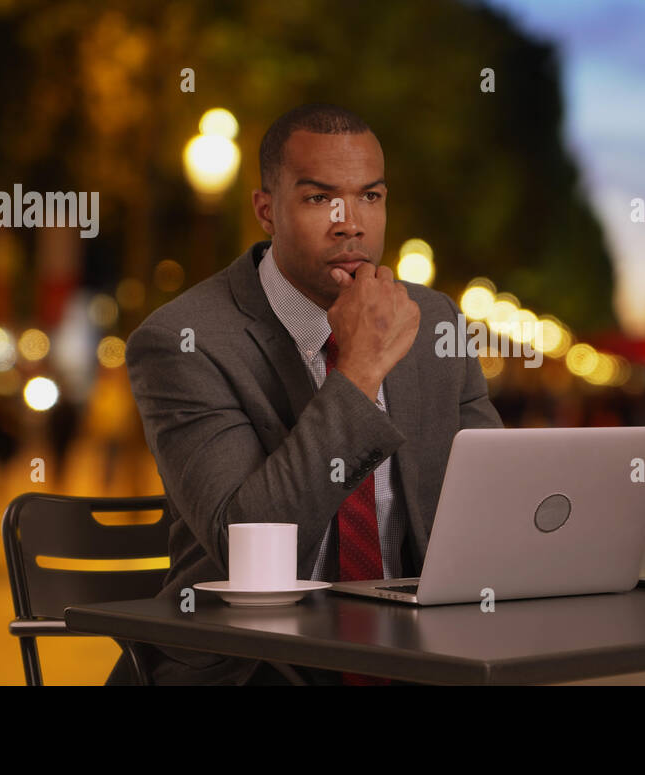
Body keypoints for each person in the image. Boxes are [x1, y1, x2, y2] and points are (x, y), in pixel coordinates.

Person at [112, 103, 503, 685]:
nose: (353, 223)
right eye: (321, 198)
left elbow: (494, 498)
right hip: (249, 665)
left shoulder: (434, 321)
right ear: (266, 210)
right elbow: (248, 545)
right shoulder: (182, 342)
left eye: (371, 196)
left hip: (411, 657)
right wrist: (359, 372)